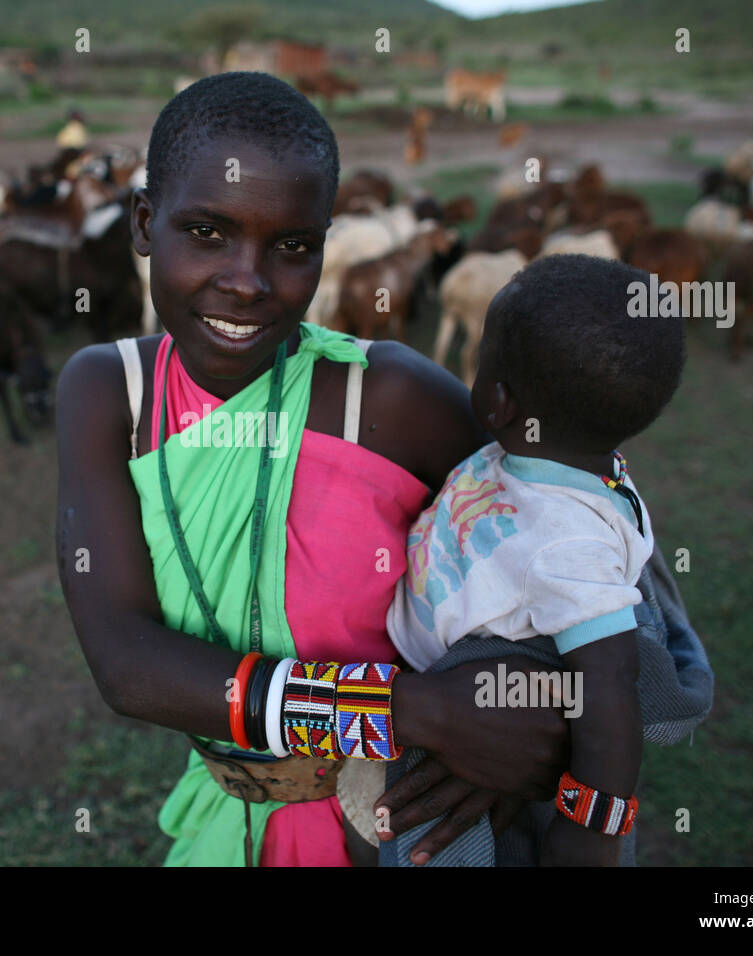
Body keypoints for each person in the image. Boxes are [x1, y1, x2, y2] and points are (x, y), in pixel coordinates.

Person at [56, 72, 581, 867]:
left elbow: (577, 546)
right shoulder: (109, 395)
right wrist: (414, 711)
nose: (247, 280)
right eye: (206, 232)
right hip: (230, 814)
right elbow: (128, 665)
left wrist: (505, 743)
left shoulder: (393, 397)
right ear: (142, 222)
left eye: (292, 246)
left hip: (405, 826)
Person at [386, 254, 685, 865]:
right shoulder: (529, 462)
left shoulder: (569, 546)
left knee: (426, 843)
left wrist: (592, 829)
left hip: (474, 715)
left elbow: (609, 683)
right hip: (444, 690)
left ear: (497, 399)